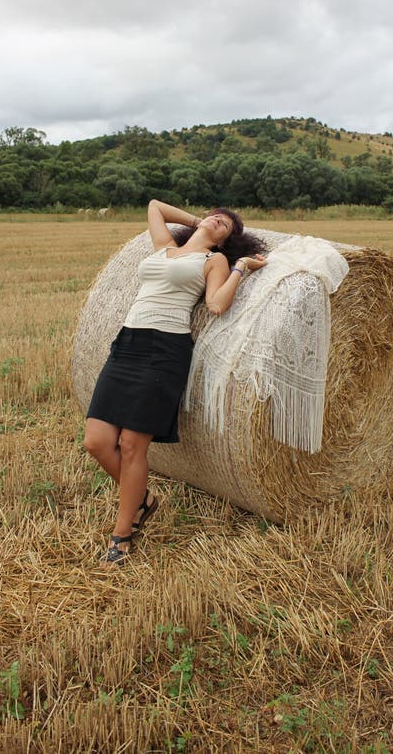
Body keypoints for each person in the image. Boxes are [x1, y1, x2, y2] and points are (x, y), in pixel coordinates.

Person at [83, 199, 267, 565]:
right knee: (97, 442)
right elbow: (153, 206)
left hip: (165, 349)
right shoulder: (164, 246)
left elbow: (216, 305)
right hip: (128, 343)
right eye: (217, 216)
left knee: (133, 445)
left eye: (226, 227)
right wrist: (202, 221)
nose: (219, 221)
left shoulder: (212, 261)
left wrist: (240, 268)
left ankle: (121, 536)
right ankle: (142, 500)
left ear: (223, 244)